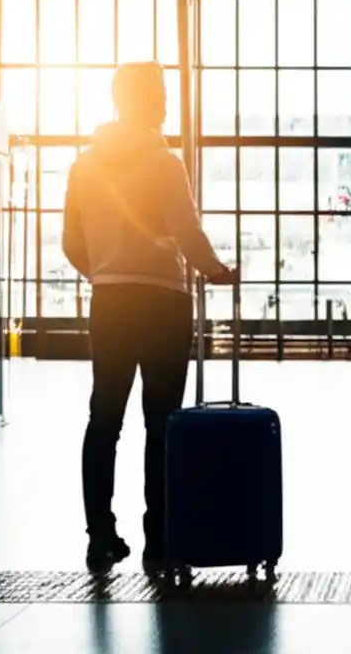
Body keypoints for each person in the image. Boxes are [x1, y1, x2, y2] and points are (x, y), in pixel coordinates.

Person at [62, 61, 235, 574]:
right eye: (159, 92)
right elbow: (186, 233)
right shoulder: (165, 164)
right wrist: (217, 271)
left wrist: (106, 272)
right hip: (163, 301)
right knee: (162, 424)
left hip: (110, 302)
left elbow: (71, 242)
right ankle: (158, 539)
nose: (165, 101)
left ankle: (100, 538)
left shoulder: (84, 165)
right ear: (142, 99)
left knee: (104, 420)